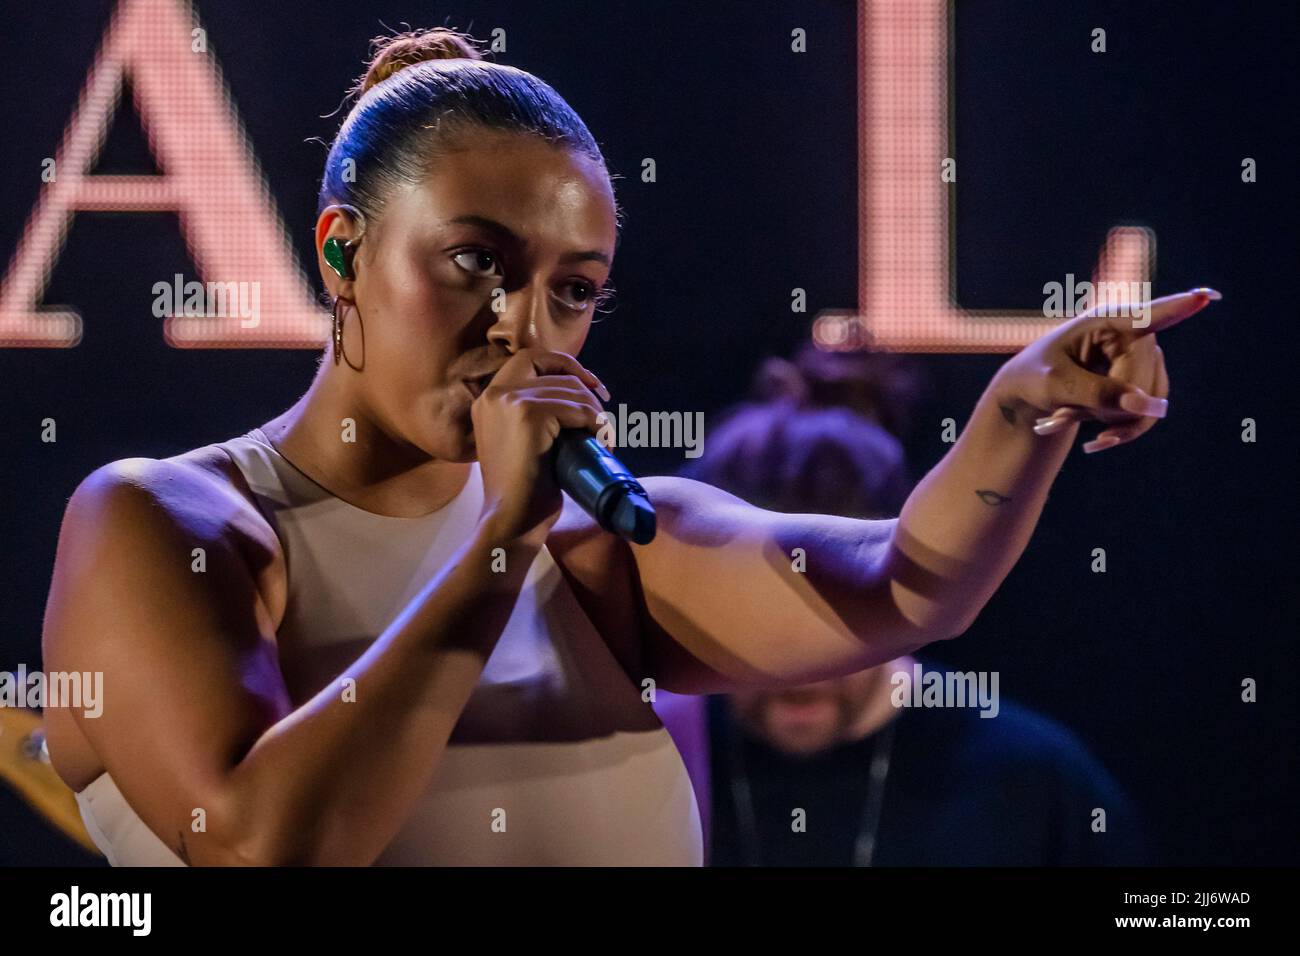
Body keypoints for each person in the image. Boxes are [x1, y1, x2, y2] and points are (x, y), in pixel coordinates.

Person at [40, 26, 1217, 866]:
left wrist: (1019, 413)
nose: (521, 325)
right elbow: (260, 842)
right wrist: (497, 540)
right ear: (343, 252)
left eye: (572, 287)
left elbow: (906, 581)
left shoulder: (595, 534)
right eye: (474, 262)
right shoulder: (174, 521)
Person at [656, 395, 1149, 865]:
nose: (797, 667)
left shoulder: (1033, 778)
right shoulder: (651, 755)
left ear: (890, 595)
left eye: (827, 615)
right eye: (759, 619)